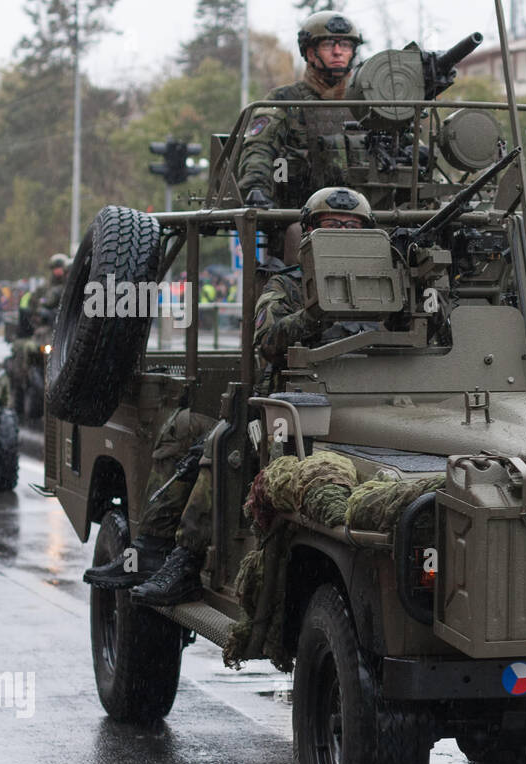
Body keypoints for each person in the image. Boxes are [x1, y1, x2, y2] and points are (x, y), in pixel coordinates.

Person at [84, 187, 376, 605]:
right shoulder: (288, 286)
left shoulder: (390, 289)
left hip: (363, 408)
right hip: (283, 411)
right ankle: (160, 552)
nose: (343, 234)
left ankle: (180, 556)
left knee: (221, 445)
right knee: (195, 432)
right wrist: (315, 313)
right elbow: (269, 340)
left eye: (352, 227)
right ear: (311, 233)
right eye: (332, 226)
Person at [236, 11, 362, 214]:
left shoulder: (367, 104)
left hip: (365, 216)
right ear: (311, 53)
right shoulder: (284, 100)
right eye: (329, 44)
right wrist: (256, 188)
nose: (338, 52)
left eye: (345, 45)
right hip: (300, 216)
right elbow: (259, 148)